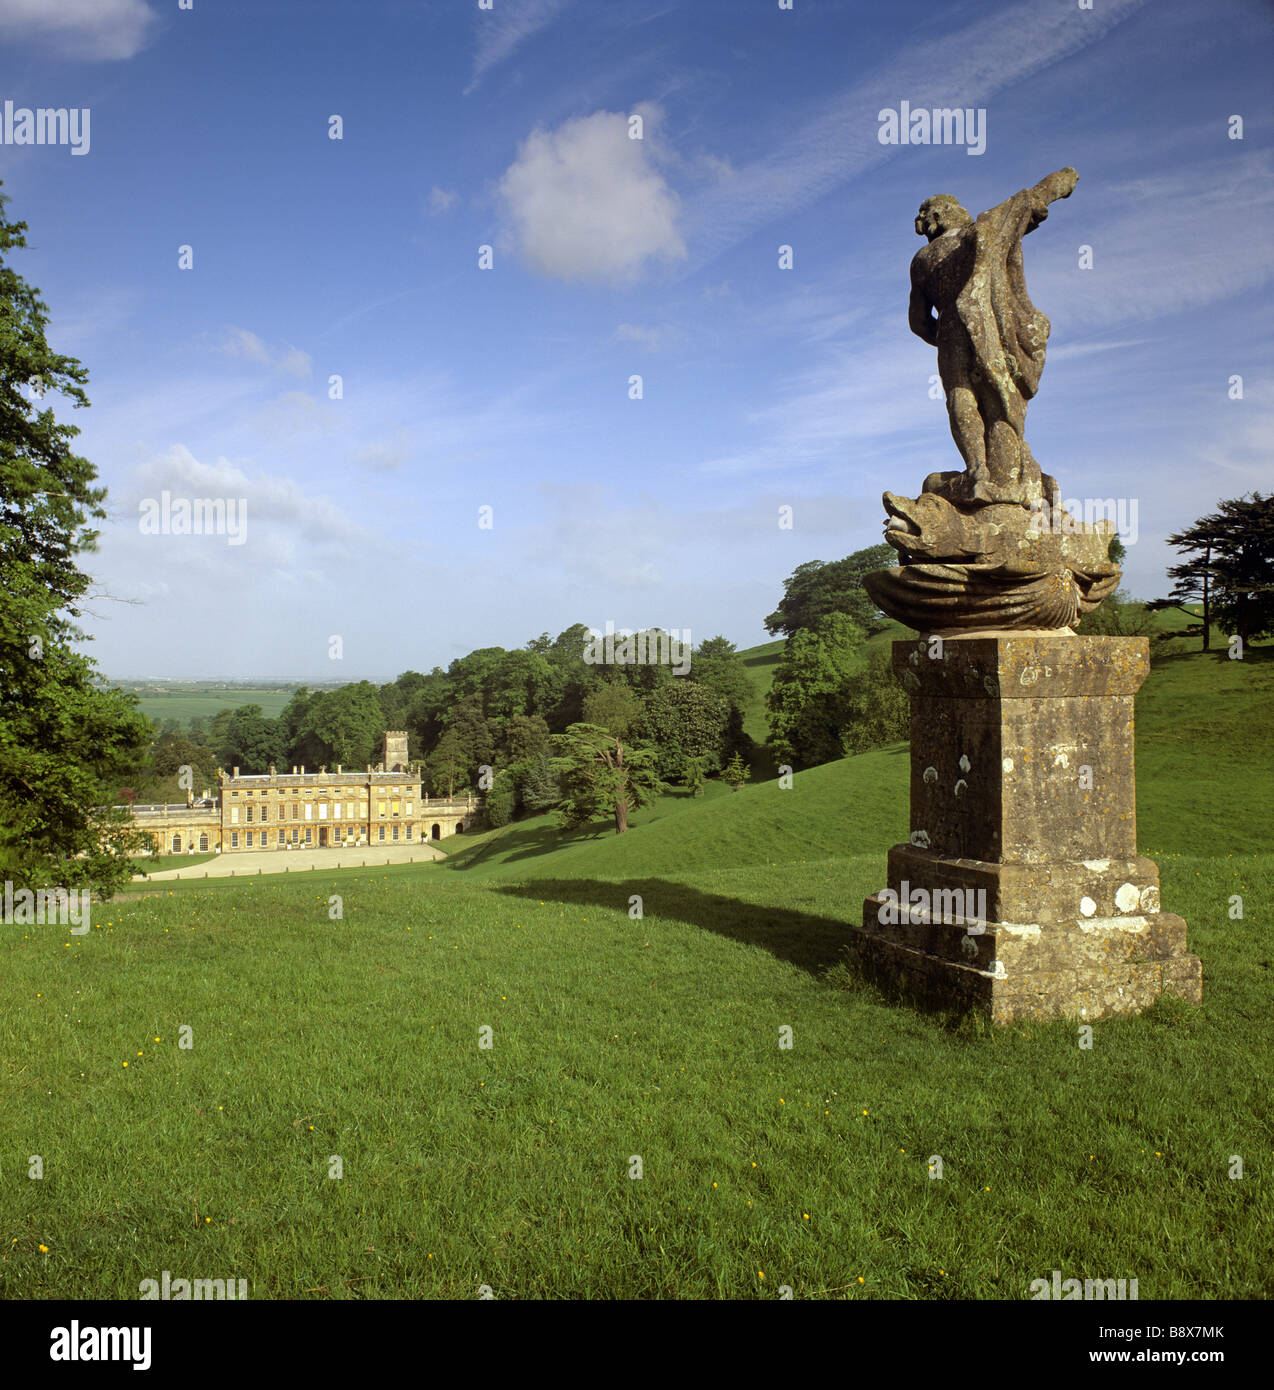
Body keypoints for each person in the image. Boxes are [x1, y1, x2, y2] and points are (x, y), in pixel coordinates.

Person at [908, 167, 1078, 506]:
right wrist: (1052, 188)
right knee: (998, 400)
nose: (965, 212)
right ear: (943, 214)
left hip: (951, 331)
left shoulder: (922, 260)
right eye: (958, 208)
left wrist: (945, 338)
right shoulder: (977, 233)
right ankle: (1007, 476)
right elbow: (1019, 214)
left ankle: (978, 471)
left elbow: (918, 322)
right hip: (988, 326)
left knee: (961, 395)